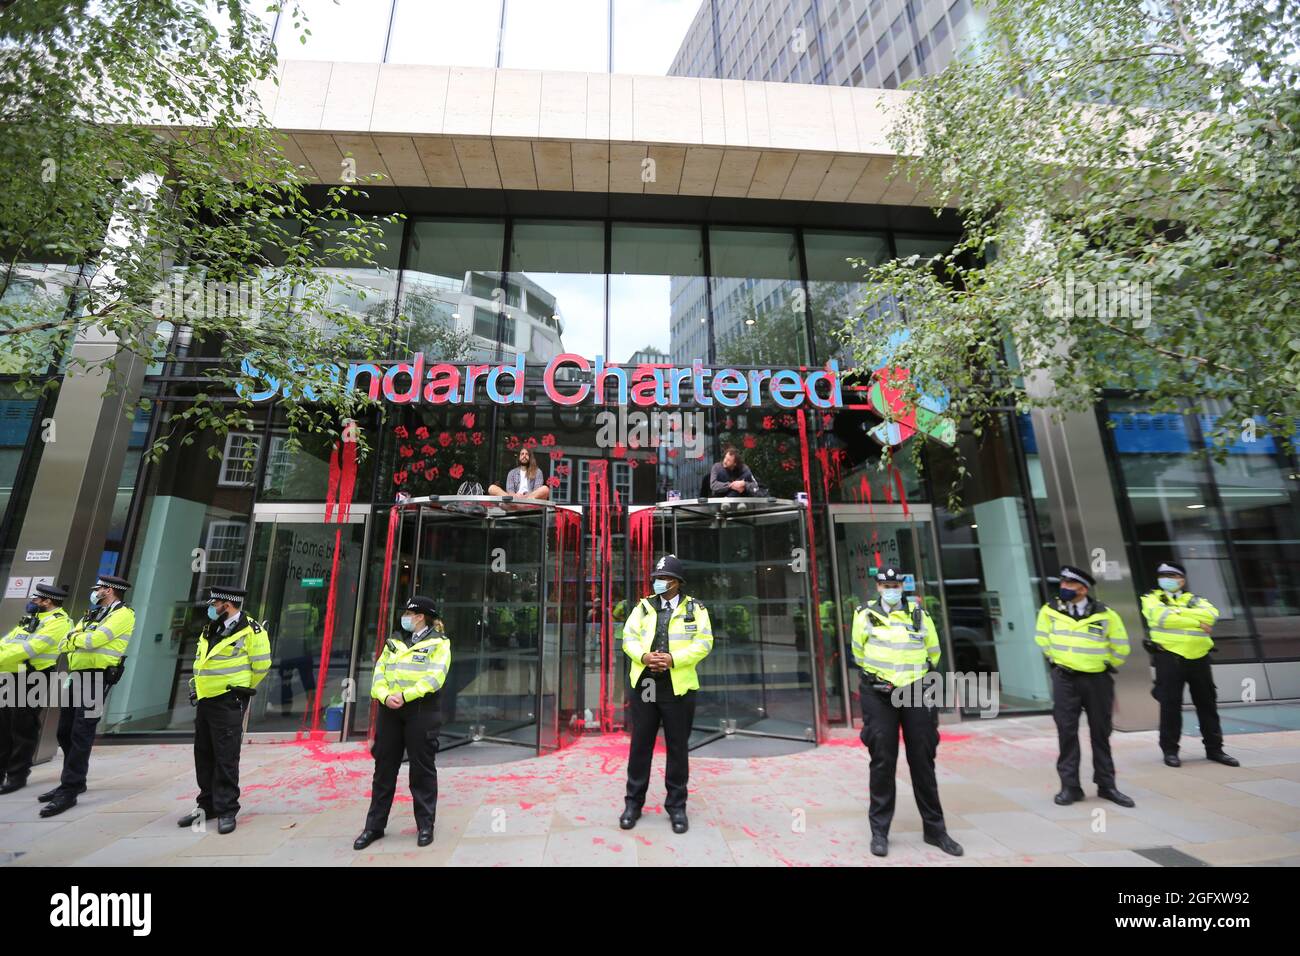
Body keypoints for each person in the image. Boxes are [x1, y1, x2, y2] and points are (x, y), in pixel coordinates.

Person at [851, 565, 963, 858]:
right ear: (878, 588)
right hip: (880, 695)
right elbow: (858, 653)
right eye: (885, 585)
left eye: (895, 584)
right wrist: (880, 678)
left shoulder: (919, 615)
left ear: (903, 586)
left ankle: (935, 830)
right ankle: (879, 832)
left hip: (917, 693)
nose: (890, 589)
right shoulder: (864, 615)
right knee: (883, 762)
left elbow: (933, 653)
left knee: (923, 760)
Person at [619, 554, 713, 834]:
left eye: (664, 579)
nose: (658, 583)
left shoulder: (695, 609)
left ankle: (677, 807)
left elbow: (704, 642)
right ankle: (633, 804)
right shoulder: (643, 607)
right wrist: (644, 656)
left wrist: (673, 659)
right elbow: (628, 638)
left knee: (677, 748)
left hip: (678, 686)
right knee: (640, 746)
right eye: (656, 579)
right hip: (645, 685)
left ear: (676, 582)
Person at [354, 596, 450, 850]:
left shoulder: (439, 643)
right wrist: (384, 695)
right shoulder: (394, 640)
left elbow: (435, 678)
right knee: (384, 769)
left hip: (421, 710)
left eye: (409, 612)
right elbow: (379, 671)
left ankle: (425, 825)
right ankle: (374, 826)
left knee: (422, 769)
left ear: (420, 616)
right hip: (390, 711)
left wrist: (405, 695)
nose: (404, 617)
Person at [1034, 564, 1134, 808]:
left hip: (1097, 680)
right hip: (1065, 679)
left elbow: (1121, 647)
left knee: (1101, 732)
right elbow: (1042, 639)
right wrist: (1057, 662)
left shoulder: (1105, 614)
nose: (1064, 588)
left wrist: (1102, 664)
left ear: (1083, 588)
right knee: (1066, 732)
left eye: (1070, 584)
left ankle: (1106, 785)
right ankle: (1070, 787)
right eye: (1063, 583)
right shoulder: (1050, 611)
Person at [177, 586, 272, 835]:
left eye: (214, 603)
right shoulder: (212, 628)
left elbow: (261, 665)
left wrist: (240, 689)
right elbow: (201, 661)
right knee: (204, 753)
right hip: (206, 699)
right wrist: (196, 687)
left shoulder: (252, 630)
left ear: (227, 604)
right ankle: (206, 805)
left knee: (226, 756)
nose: (211, 607)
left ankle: (227, 809)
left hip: (229, 699)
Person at [40, 574, 135, 817]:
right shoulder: (91, 613)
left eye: (100, 588)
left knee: (82, 732)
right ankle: (72, 780)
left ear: (110, 590)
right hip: (77, 675)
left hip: (97, 677)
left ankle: (70, 789)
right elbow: (65, 641)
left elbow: (94, 640)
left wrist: (75, 640)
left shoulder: (123, 614)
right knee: (64, 731)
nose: (96, 591)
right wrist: (76, 640)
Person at [1141, 561, 1238, 768]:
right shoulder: (1151, 599)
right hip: (1168, 658)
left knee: (1207, 704)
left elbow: (1211, 616)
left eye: (1171, 576)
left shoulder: (1195, 599)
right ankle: (1170, 751)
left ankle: (1215, 749)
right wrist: (1196, 622)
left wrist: (1182, 616)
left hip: (1199, 658)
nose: (1166, 579)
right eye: (1163, 576)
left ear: (1182, 580)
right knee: (1170, 705)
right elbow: (1161, 618)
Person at [0, 583, 72, 794]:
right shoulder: (32, 619)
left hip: (33, 677)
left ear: (47, 601)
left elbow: (30, 648)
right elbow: (7, 641)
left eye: (36, 599)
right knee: (3, 727)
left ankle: (17, 776)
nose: (32, 602)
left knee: (23, 727)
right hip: (9, 674)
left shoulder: (60, 622)